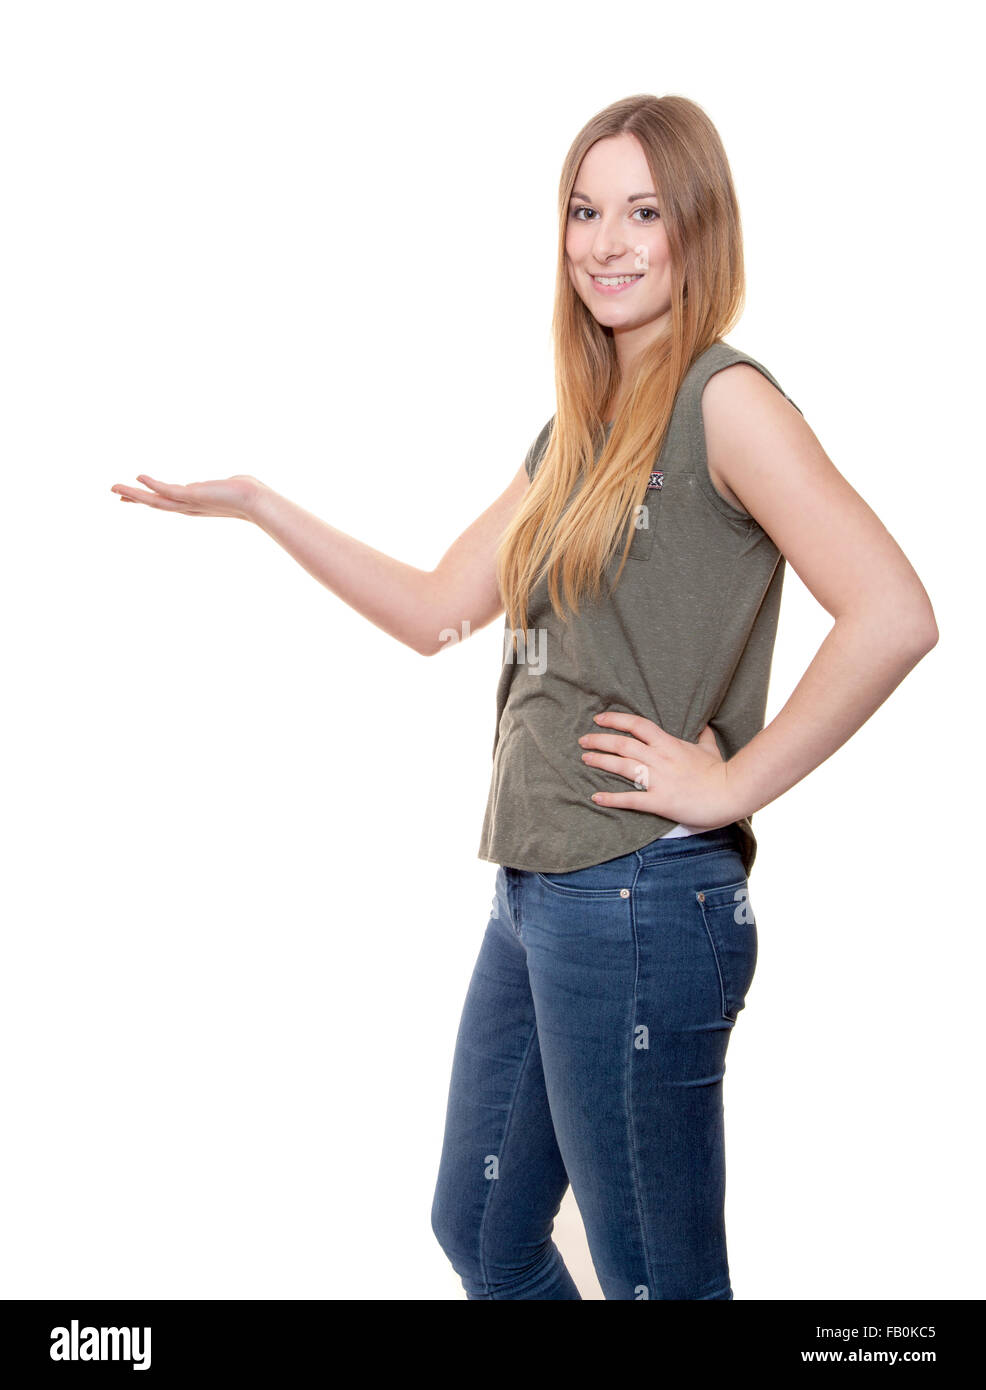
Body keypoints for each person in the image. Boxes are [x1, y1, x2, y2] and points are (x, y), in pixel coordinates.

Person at [110, 93, 938, 1300]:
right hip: (540, 894)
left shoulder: (725, 400)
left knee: (656, 1280)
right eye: (582, 210)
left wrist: (727, 781)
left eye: (640, 212)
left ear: (694, 229)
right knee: (484, 1228)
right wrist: (259, 505)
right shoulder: (578, 432)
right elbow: (434, 611)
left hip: (641, 897)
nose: (603, 242)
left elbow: (892, 611)